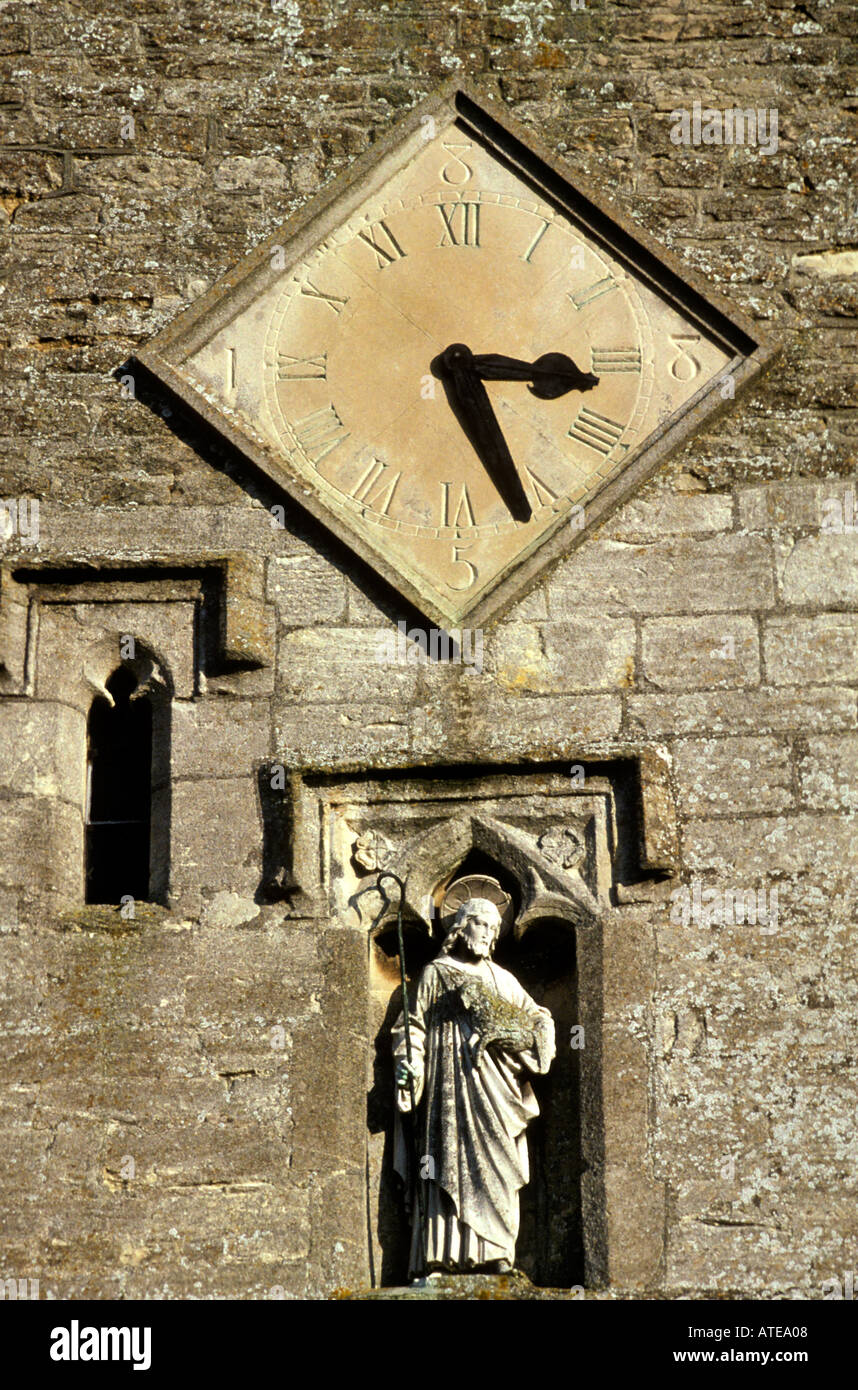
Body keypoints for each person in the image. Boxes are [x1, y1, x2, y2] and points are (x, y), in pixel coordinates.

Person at [392, 896, 555, 1278]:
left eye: (493, 927)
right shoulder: (436, 972)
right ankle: (440, 1255)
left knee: (498, 1166)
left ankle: (498, 1251)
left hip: (497, 1090)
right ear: (461, 927)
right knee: (445, 1158)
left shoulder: (503, 979)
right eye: (480, 924)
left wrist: (531, 1036)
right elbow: (412, 1025)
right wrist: (410, 1066)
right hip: (447, 1088)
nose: (487, 933)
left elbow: (537, 1019)